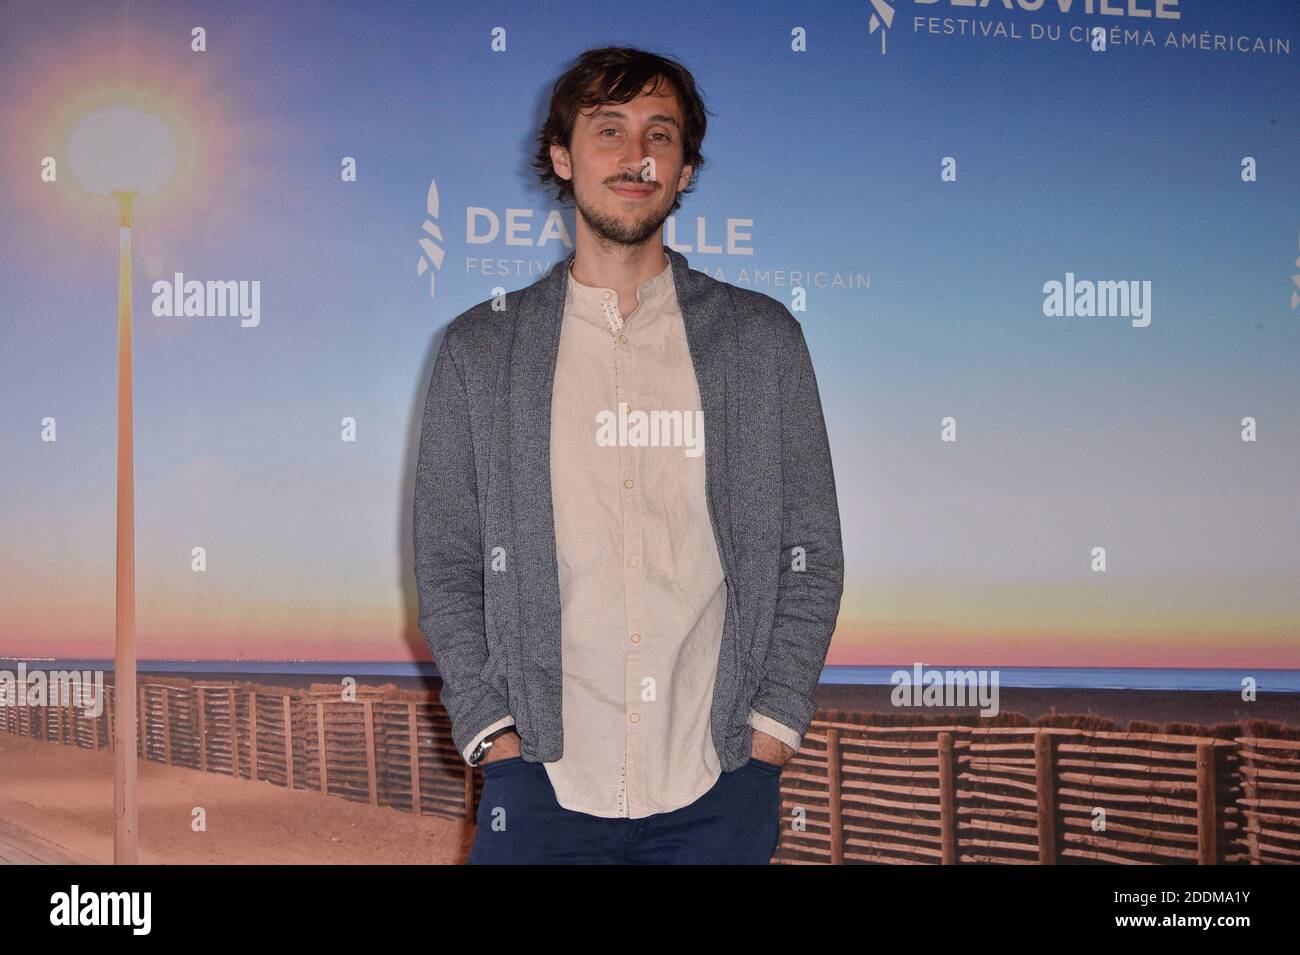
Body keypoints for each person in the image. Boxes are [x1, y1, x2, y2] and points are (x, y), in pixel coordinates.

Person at [413, 45, 844, 864]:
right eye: (608, 129)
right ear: (563, 157)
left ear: (684, 172)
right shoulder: (481, 346)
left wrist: (772, 729)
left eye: (661, 134)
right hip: (537, 783)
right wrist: (489, 736)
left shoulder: (761, 341)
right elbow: (445, 558)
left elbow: (810, 550)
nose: (636, 154)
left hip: (716, 780)